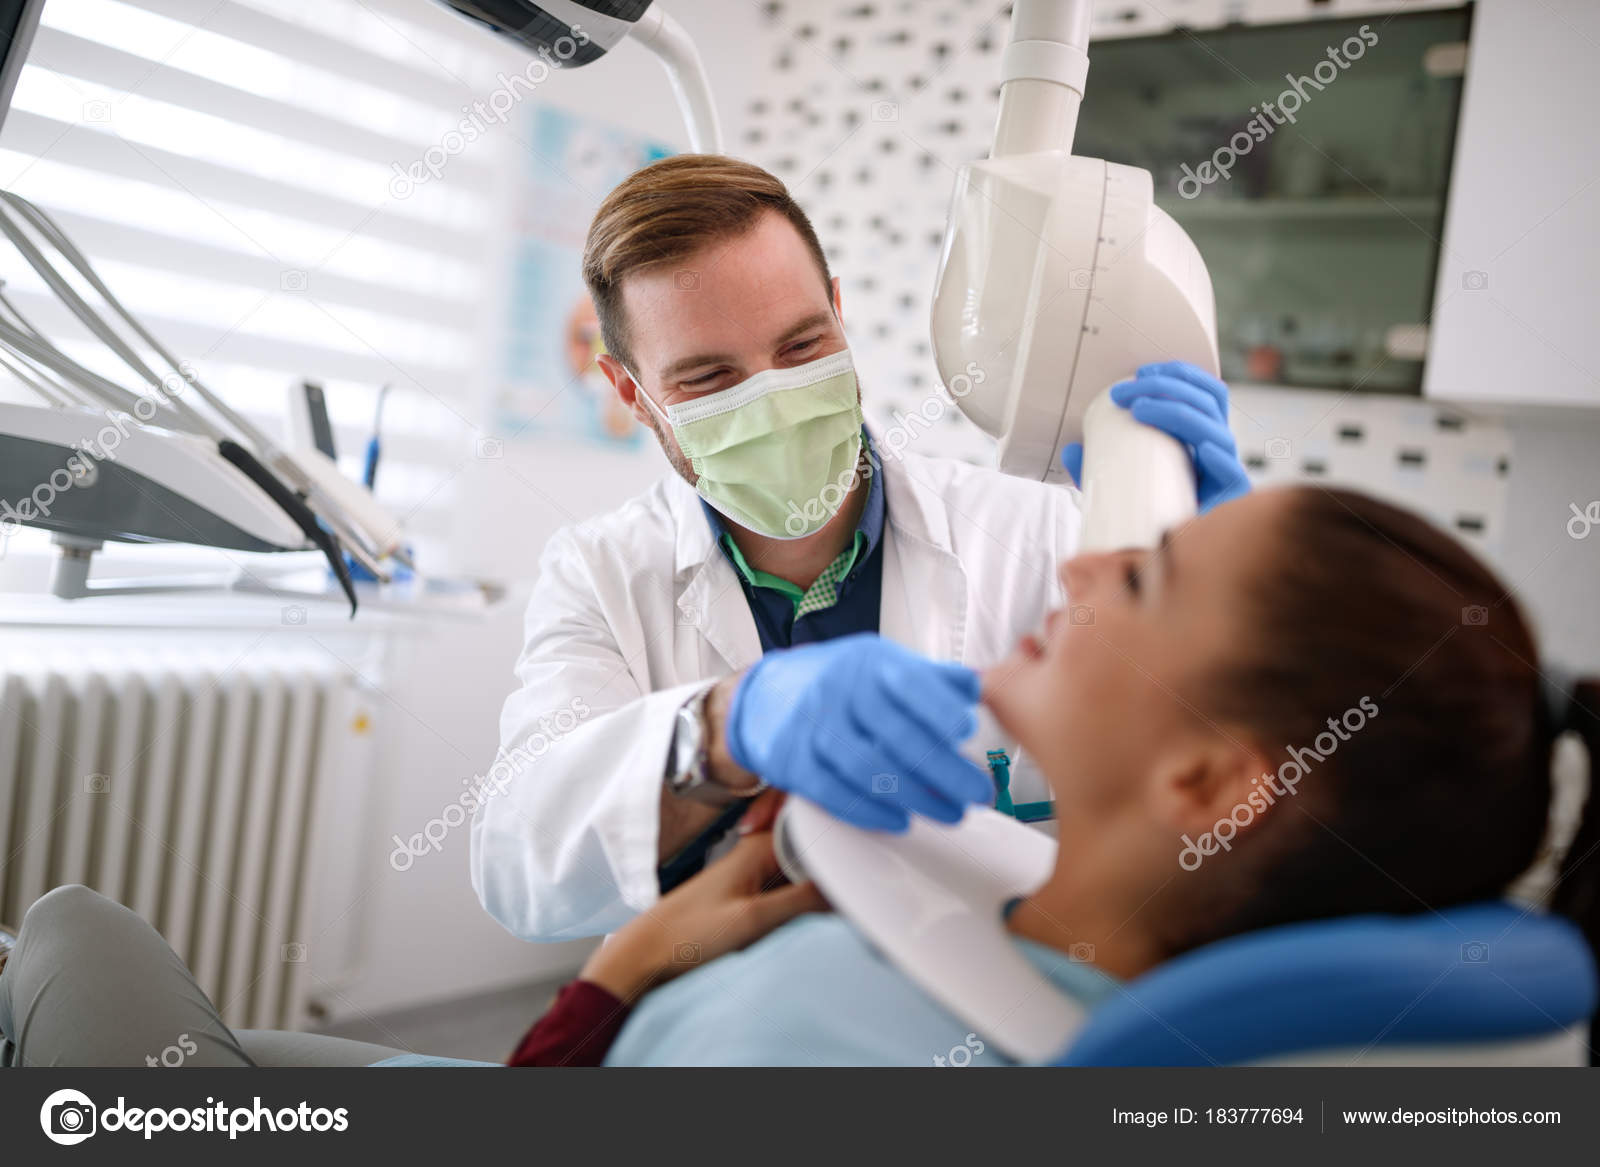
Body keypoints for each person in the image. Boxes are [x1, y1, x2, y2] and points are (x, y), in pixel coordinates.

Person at [4, 486, 1595, 1067]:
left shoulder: (823, 1034)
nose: (1085, 546)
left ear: (1215, 780)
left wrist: (610, 985)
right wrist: (716, 728)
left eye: (1153, 572)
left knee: (71, 930)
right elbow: (513, 838)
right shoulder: (1045, 938)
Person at [472, 153, 1251, 941]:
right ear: (632, 394)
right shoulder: (599, 574)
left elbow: (1226, 796)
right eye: (710, 379)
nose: (774, 398)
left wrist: (1231, 607)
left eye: (803, 346)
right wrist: (719, 731)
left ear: (840, 313)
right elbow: (520, 864)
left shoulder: (1045, 535)